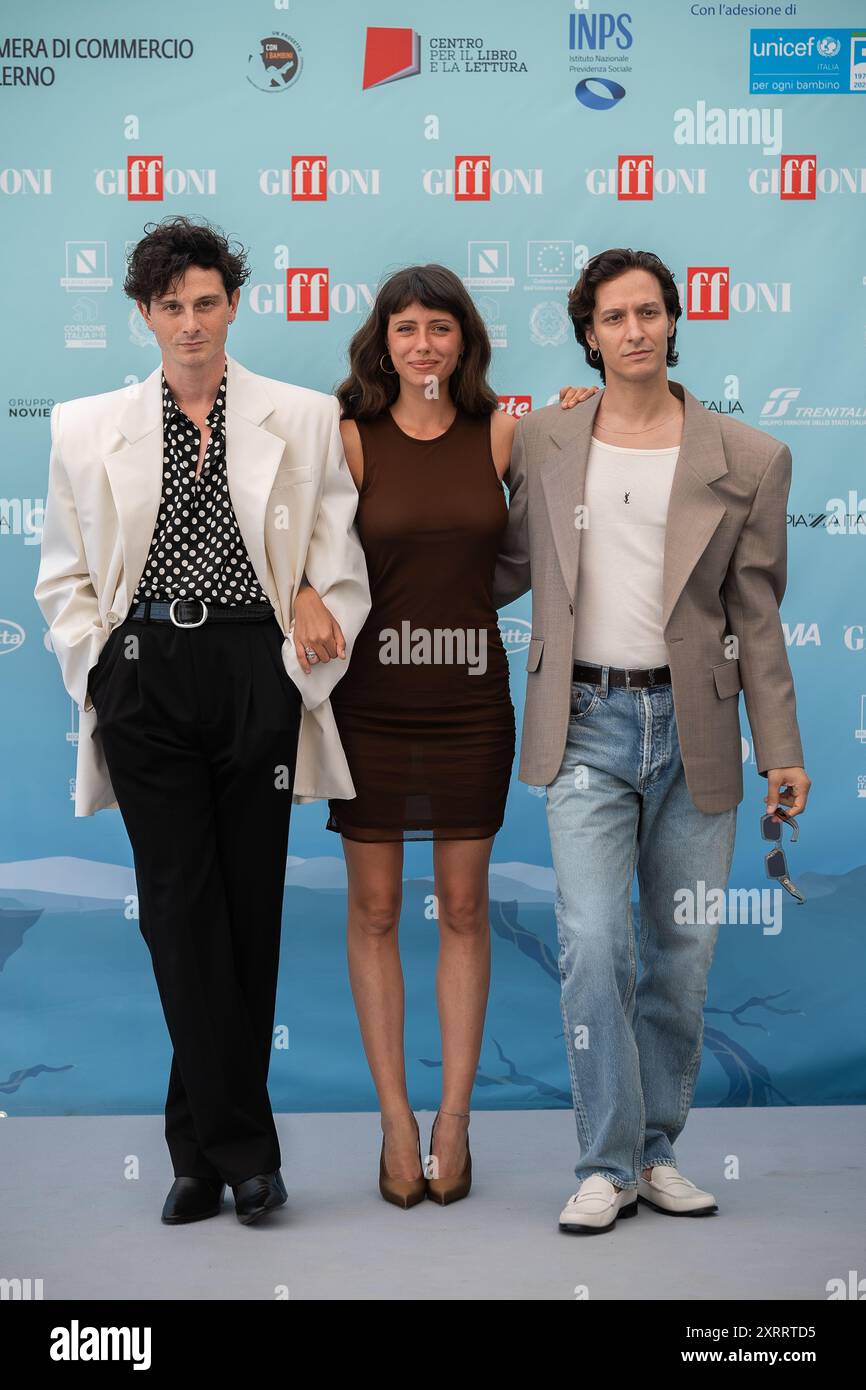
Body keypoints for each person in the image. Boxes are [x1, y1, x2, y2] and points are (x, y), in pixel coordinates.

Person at [34, 216, 371, 1226]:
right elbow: (63, 574)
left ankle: (197, 1153)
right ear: (144, 314)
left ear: (234, 303)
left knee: (244, 909)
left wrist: (311, 599)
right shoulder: (85, 425)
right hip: (142, 669)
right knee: (180, 909)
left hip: (251, 667)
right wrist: (99, 673)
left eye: (206, 300)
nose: (190, 321)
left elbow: (336, 562)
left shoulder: (302, 417)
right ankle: (244, 1153)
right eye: (171, 304)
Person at [493, 247, 811, 1234]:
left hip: (697, 732)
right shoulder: (542, 441)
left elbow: (753, 617)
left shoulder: (745, 458)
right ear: (586, 334)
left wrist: (782, 750)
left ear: (673, 323)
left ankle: (656, 1149)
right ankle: (602, 1162)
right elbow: (497, 565)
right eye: (611, 316)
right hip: (584, 725)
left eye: (648, 312)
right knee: (592, 940)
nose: (632, 330)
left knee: (679, 953)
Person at [290, 263, 594, 1206]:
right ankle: (394, 1123)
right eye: (406, 328)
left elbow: (562, 516)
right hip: (370, 706)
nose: (424, 344)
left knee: (465, 911)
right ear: (382, 341)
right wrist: (301, 592)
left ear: (466, 341)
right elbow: (293, 545)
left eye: (441, 328)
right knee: (375, 913)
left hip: (470, 704)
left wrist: (578, 415)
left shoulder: (504, 433)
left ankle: (455, 1125)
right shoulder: (350, 440)